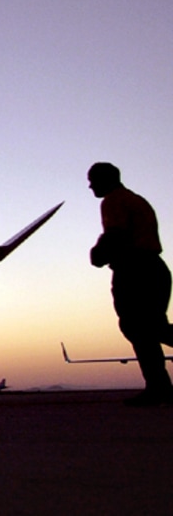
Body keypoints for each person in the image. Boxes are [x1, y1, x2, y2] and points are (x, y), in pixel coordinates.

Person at [88, 162, 173, 406]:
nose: (90, 185)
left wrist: (99, 253)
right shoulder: (136, 200)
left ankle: (159, 387)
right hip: (153, 268)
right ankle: (160, 388)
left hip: (135, 270)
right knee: (150, 328)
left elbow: (116, 234)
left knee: (140, 327)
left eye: (93, 179)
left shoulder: (114, 200)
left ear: (106, 179)